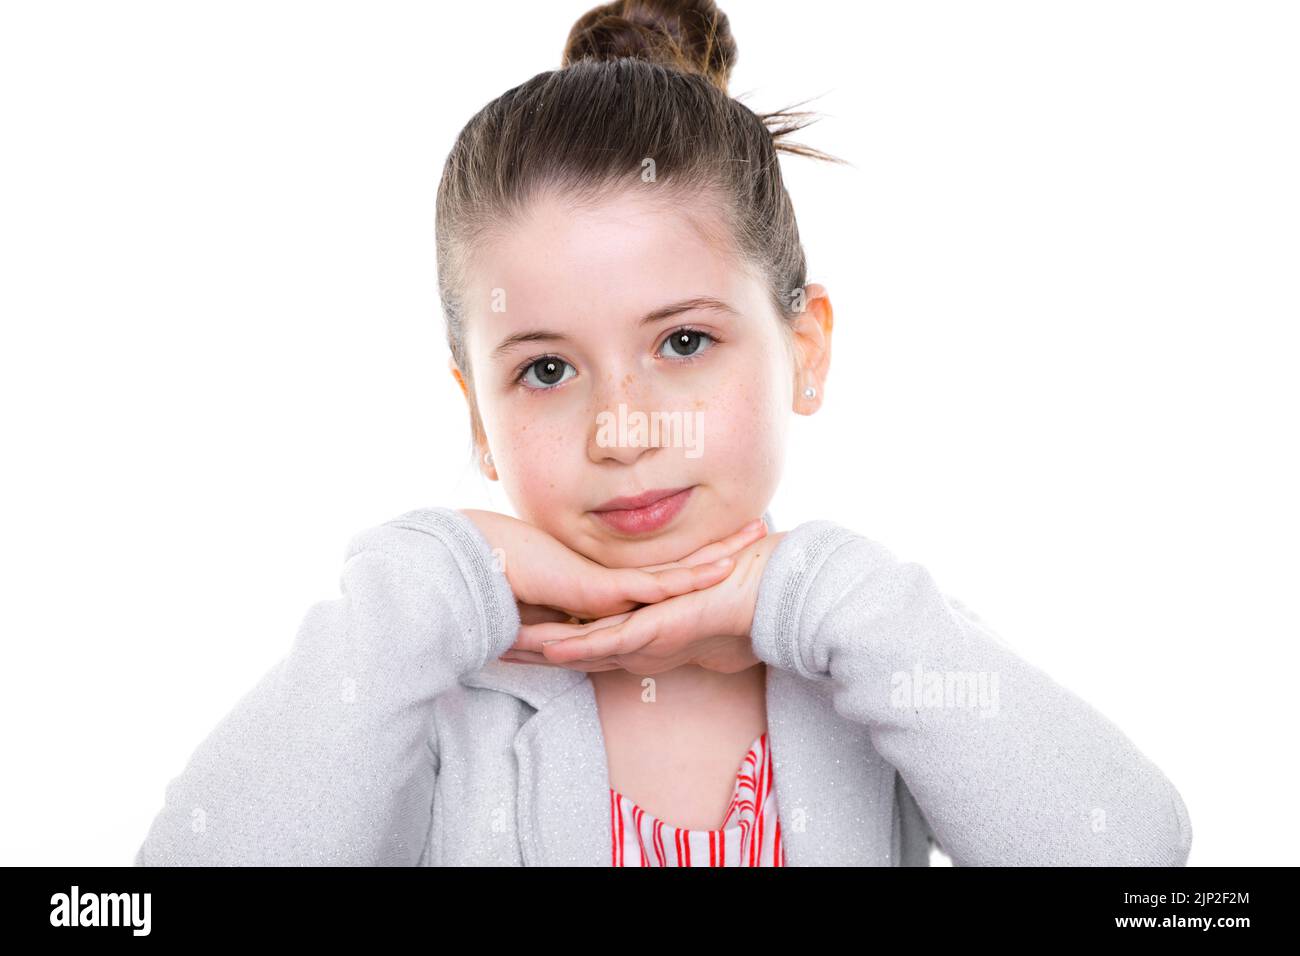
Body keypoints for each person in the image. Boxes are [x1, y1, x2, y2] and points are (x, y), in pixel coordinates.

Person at [133, 0, 1192, 867]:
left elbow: (1136, 860)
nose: (622, 427)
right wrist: (437, 577)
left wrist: (812, 589)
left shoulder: (874, 656)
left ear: (804, 347)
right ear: (479, 419)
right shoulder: (431, 701)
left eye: (683, 342)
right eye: (545, 369)